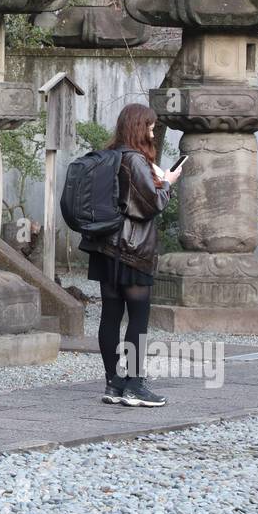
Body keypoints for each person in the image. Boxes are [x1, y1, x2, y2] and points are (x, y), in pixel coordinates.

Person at [81, 103, 183, 407]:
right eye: (150, 126)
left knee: (110, 315)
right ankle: (135, 385)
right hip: (132, 249)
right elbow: (152, 204)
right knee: (138, 315)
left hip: (104, 247)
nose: (153, 132)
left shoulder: (108, 157)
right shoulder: (135, 160)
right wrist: (167, 182)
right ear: (139, 127)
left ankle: (113, 384)